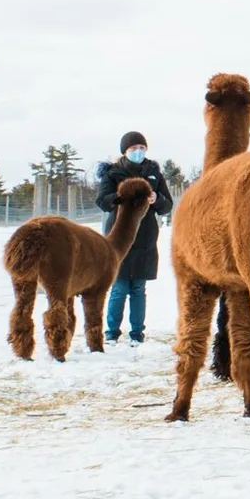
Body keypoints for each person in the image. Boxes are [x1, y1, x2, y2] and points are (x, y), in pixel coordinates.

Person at [94, 131, 175, 344]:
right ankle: (112, 332)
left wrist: (156, 199)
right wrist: (121, 197)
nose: (138, 152)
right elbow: (102, 200)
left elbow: (167, 205)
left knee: (139, 288)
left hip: (145, 236)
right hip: (118, 238)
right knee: (119, 287)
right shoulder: (113, 173)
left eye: (142, 148)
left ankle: (137, 333)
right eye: (133, 149)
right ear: (125, 151)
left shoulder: (154, 172)